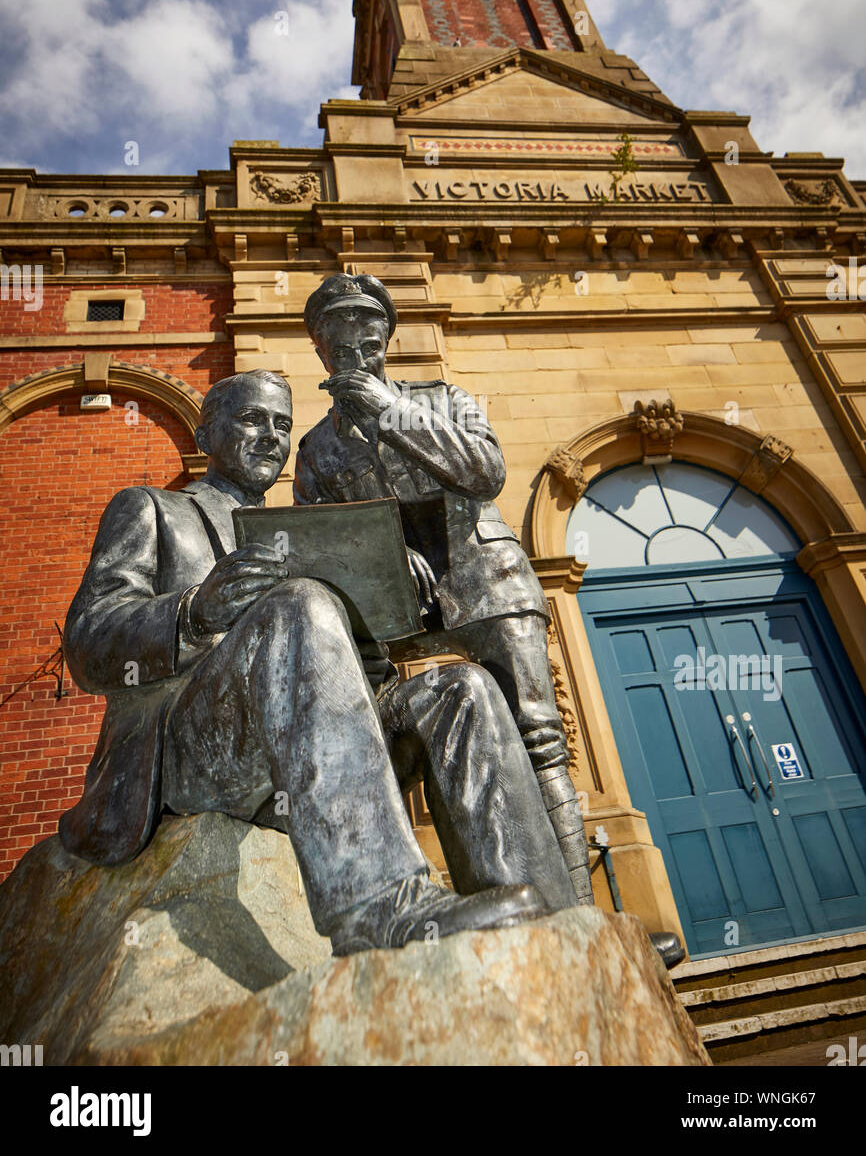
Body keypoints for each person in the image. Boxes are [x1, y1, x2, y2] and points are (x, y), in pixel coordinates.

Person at [60, 369, 577, 956]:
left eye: (282, 425)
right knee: (299, 603)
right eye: (251, 419)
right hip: (192, 747)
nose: (272, 437)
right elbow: (87, 640)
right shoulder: (152, 510)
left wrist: (376, 618)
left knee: (462, 689)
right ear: (205, 436)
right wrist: (194, 611)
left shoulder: (309, 530)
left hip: (306, 750)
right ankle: (375, 903)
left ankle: (554, 925)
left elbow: (339, 669)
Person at [294, 274, 594, 905]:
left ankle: (580, 914)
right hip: (395, 610)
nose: (356, 360)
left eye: (368, 346)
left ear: (385, 344)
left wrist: (389, 413)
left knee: (539, 738)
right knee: (386, 744)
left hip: (486, 581)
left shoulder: (444, 399)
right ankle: (442, 902)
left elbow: (484, 472)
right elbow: (318, 541)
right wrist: (382, 553)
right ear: (321, 354)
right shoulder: (315, 447)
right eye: (341, 350)